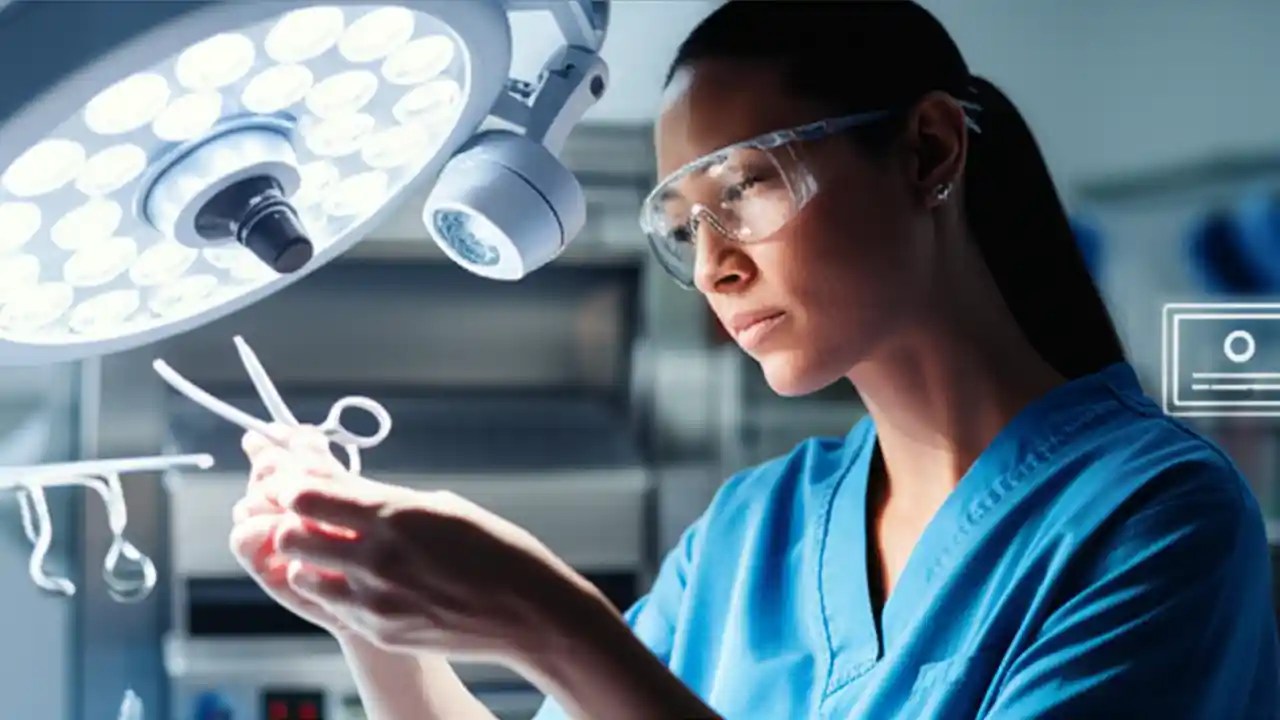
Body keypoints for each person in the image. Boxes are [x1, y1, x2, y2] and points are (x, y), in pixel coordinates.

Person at [229, 2, 1280, 718]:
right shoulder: (753, 533)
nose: (715, 264)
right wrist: (365, 607)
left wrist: (553, 624)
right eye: (681, 225)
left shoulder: (1155, 522)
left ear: (926, 152)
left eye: (745, 190)